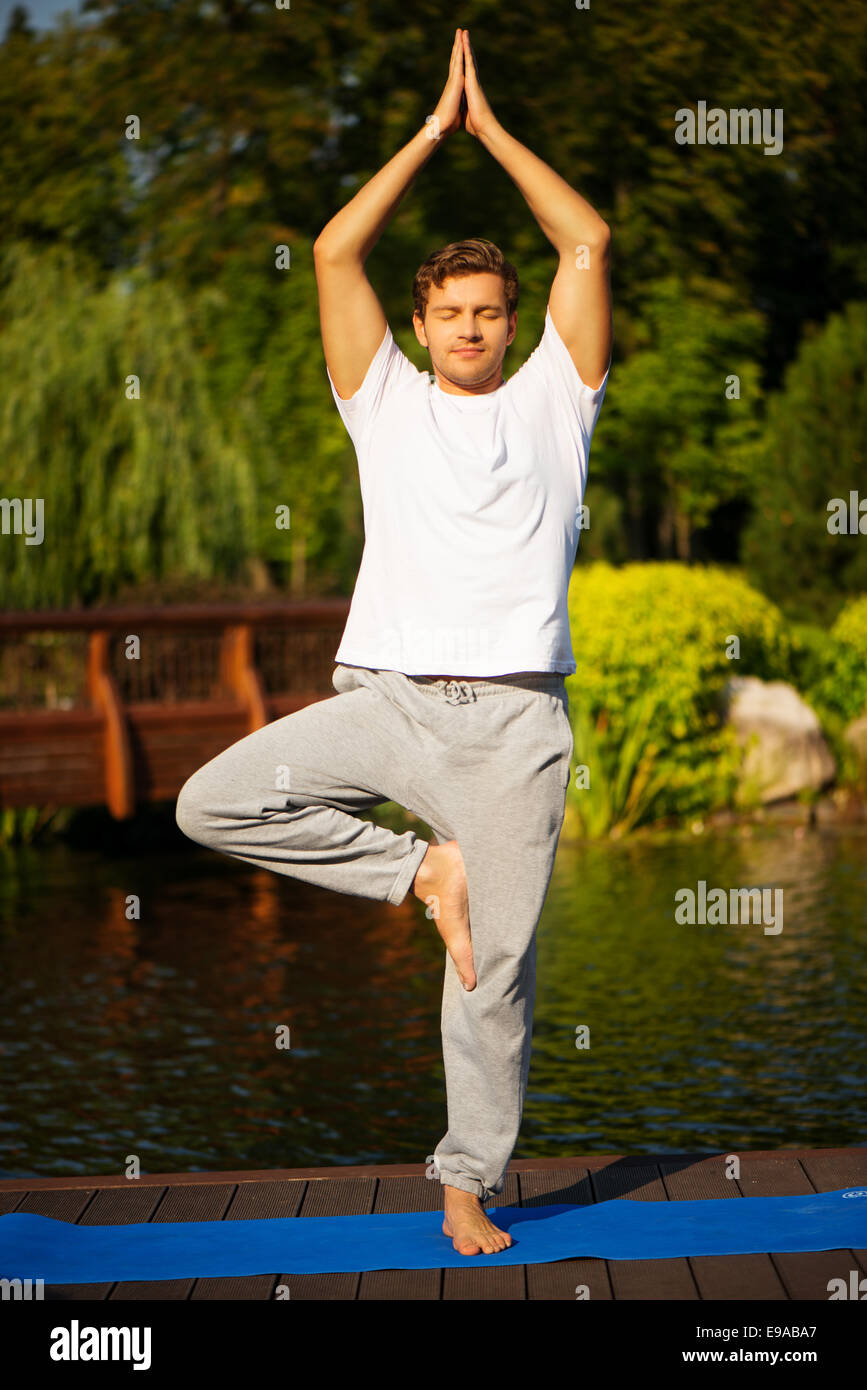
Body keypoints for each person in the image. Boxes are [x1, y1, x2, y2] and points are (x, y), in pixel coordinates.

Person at [175, 27, 612, 1257]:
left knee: (493, 984)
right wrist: (431, 130)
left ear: (512, 321)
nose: (469, 328)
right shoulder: (382, 398)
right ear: (419, 323)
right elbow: (331, 249)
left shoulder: (557, 398)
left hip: (515, 726)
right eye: (450, 312)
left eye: (487, 311)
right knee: (212, 804)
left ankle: (465, 1182)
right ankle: (423, 874)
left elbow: (586, 239)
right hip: (389, 703)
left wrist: (496, 130)